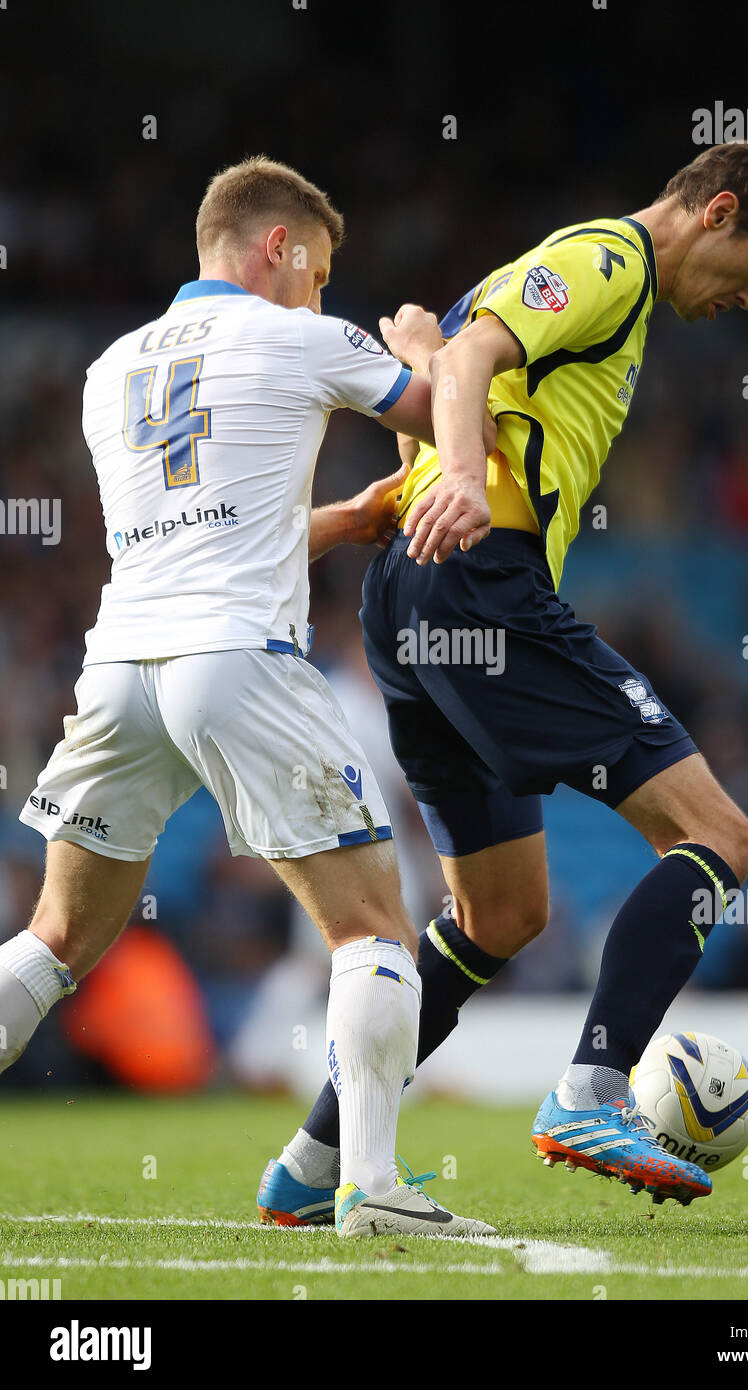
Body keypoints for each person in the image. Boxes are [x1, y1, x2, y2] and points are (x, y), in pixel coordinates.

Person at [266, 142, 748, 1220]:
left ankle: (308, 1164)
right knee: (720, 833)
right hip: (480, 583)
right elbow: (478, 355)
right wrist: (469, 472)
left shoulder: (579, 283)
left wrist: (437, 363)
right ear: (713, 213)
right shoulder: (609, 261)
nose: (746, 297)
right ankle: (591, 1086)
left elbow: (462, 359)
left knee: (500, 913)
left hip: (409, 599)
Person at [1, 154, 494, 1240]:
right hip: (238, 658)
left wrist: (339, 516)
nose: (325, 294)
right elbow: (453, 415)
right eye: (320, 271)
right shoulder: (303, 336)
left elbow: (195, 533)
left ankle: (360, 1180)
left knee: (54, 940)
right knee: (372, 926)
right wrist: (427, 352)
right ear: (279, 246)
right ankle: (371, 1184)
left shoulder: (107, 368)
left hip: (124, 663)